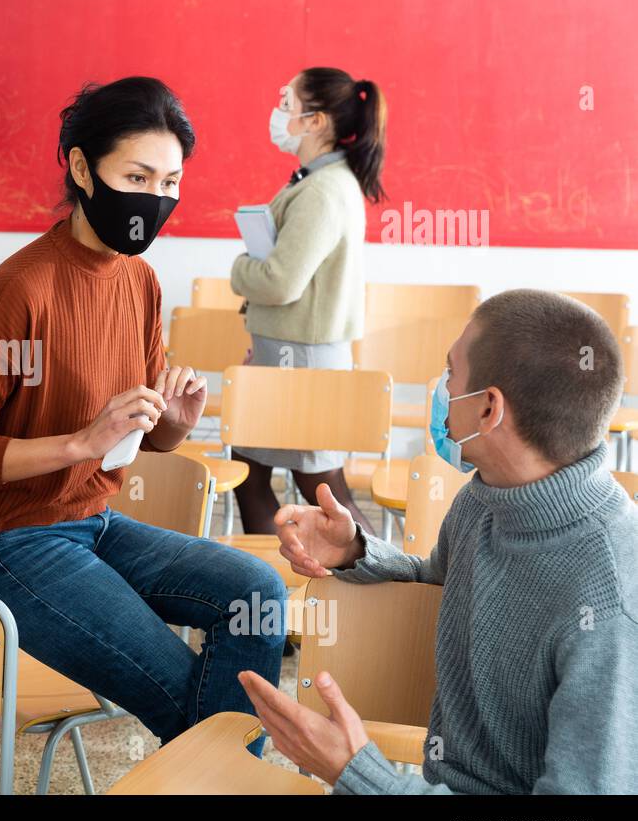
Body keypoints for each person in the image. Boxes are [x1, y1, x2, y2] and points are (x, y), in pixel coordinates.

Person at [0, 77, 286, 749]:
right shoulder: (20, 288)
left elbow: (144, 441)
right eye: (137, 175)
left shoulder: (139, 281)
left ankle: (223, 772)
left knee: (255, 591)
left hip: (93, 522)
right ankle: (233, 773)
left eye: (170, 181)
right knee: (187, 697)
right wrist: (76, 444)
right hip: (9, 544)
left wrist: (174, 419)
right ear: (82, 168)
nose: (155, 197)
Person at [240, 289, 638, 793]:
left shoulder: (611, 601)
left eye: (450, 373)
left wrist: (358, 776)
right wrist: (356, 551)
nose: (441, 389)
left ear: (489, 408)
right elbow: (443, 586)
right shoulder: (487, 497)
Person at [229, 67, 386, 535]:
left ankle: (381, 581)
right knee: (255, 469)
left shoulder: (322, 190)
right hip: (291, 354)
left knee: (320, 484)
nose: (280, 114)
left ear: (316, 121)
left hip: (303, 361)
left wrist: (238, 269)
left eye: (287, 104)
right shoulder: (321, 181)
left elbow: (280, 282)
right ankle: (279, 579)